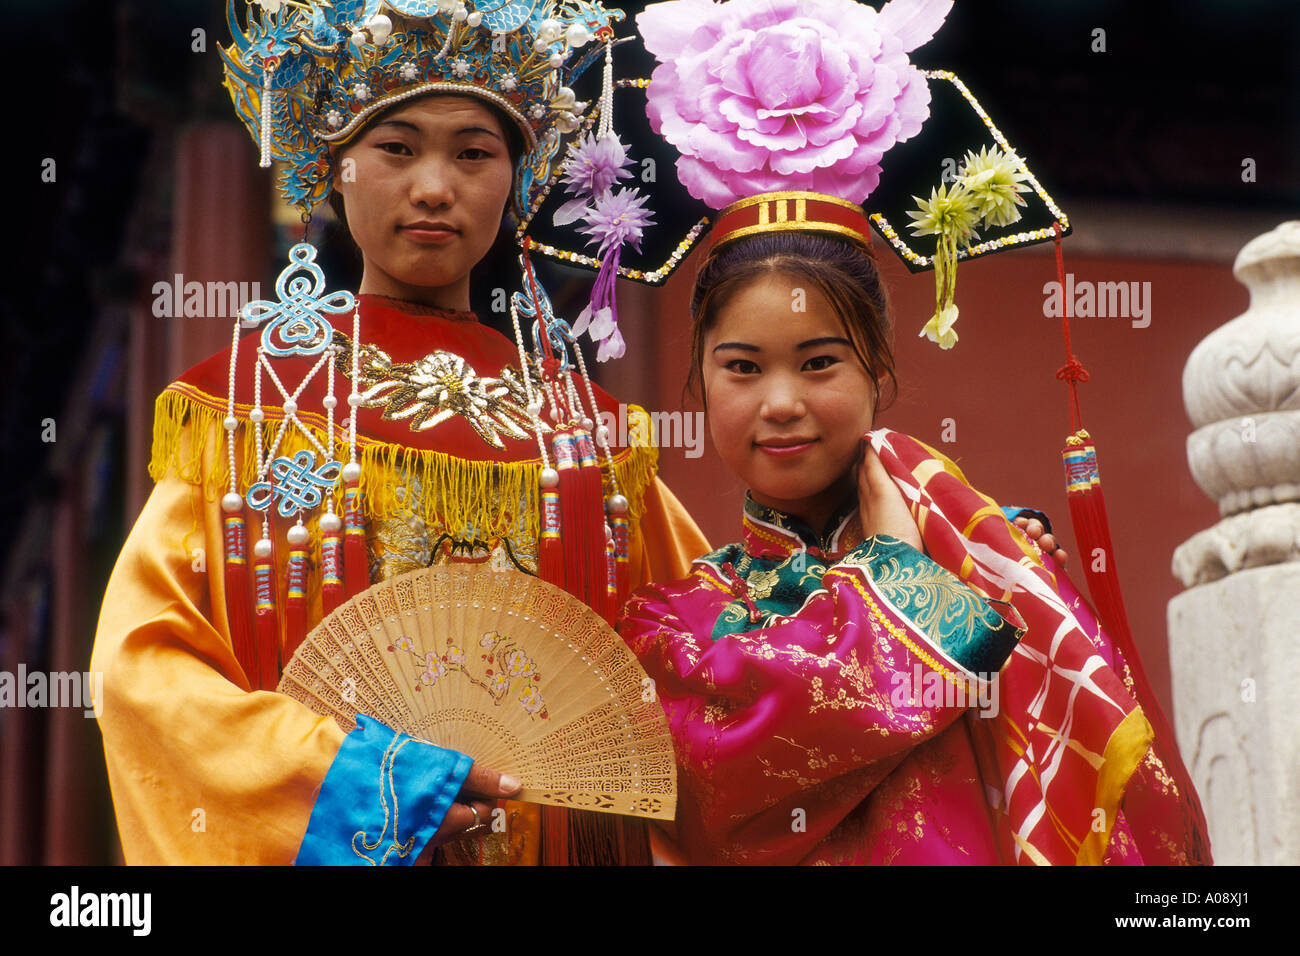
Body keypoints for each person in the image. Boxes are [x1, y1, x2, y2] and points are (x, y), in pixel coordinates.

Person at [91, 2, 708, 865]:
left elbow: (699, 667)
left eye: (473, 153)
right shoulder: (252, 412)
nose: (432, 187)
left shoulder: (589, 442)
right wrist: (369, 787)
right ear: (331, 168)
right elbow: (147, 674)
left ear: (517, 181)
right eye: (396, 147)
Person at [615, 0, 1210, 865]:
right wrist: (896, 572)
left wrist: (966, 564)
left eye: (819, 363)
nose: (780, 402)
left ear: (879, 374)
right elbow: (715, 778)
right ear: (698, 383)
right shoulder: (674, 621)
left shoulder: (988, 560)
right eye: (742, 368)